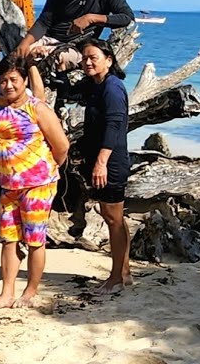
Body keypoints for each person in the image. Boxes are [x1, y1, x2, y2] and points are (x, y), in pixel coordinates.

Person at [0, 56, 70, 310]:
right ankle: (6, 293)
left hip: (38, 185)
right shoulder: (0, 105)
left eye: (13, 80)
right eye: (3, 81)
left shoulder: (37, 108)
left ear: (24, 81)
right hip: (9, 185)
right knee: (8, 238)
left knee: (34, 240)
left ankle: (30, 291)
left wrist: (48, 167)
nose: (8, 85)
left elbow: (62, 145)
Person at [76, 39, 133, 295]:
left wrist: (101, 163)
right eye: (84, 57)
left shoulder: (112, 88)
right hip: (102, 160)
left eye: (93, 57)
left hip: (111, 162)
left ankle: (116, 277)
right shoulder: (95, 86)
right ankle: (125, 272)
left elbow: (114, 125)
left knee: (113, 219)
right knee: (115, 218)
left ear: (108, 60)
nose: (87, 61)